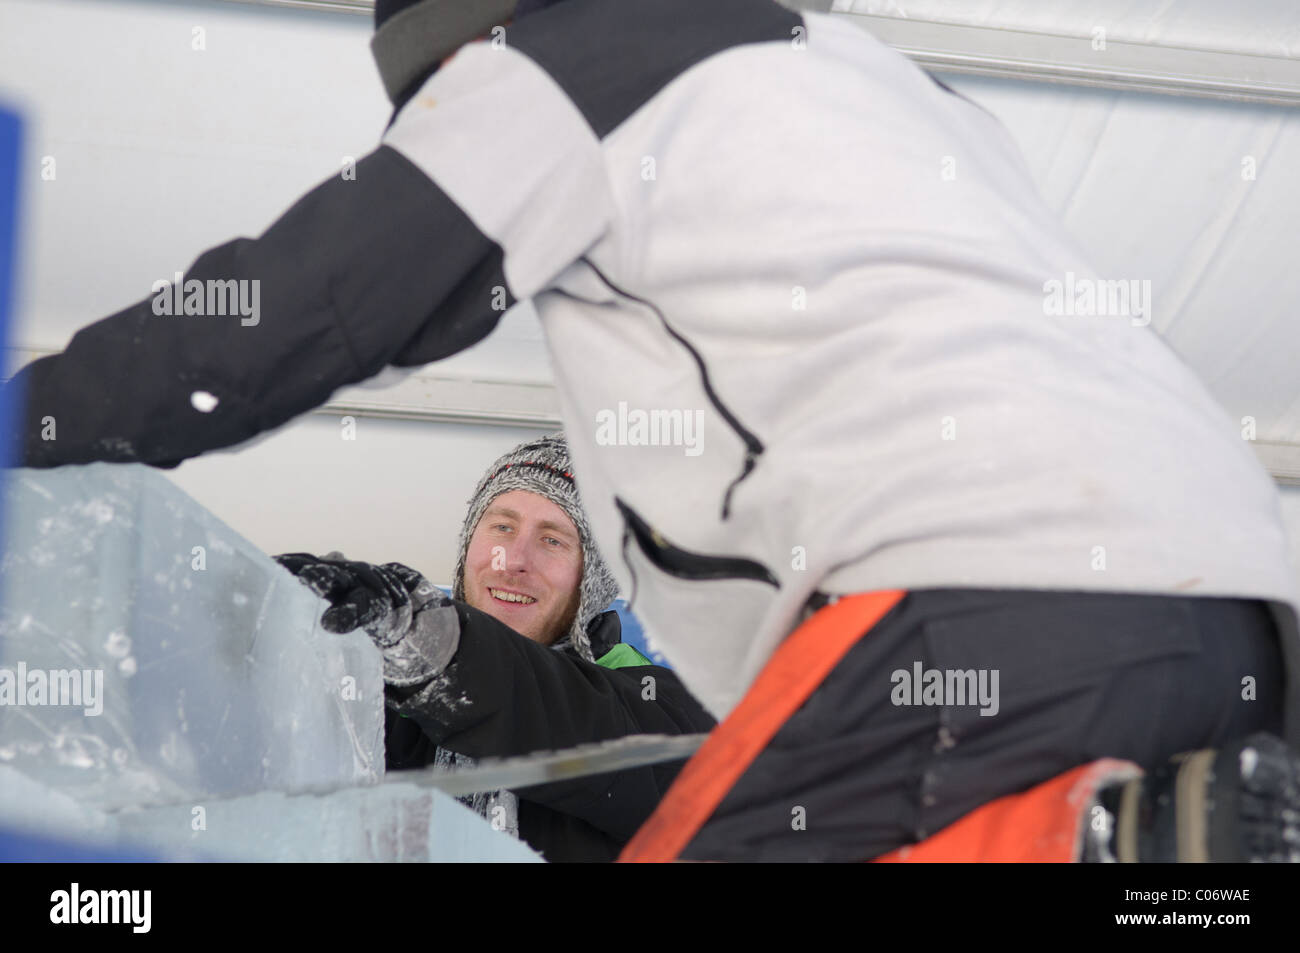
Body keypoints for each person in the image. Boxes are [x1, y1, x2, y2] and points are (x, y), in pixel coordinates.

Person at [7, 0, 1300, 861]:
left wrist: (28, 424)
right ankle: (1120, 845)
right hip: (1228, 614)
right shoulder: (869, 88)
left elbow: (307, 304)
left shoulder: (570, 59)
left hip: (975, 597)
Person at [275, 434, 715, 863]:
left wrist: (433, 641)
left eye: (552, 539)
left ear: (594, 578)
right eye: (502, 526)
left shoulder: (663, 710)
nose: (512, 560)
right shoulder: (382, 689)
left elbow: (557, 716)